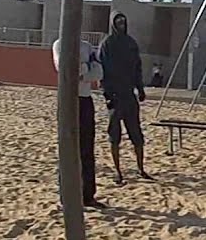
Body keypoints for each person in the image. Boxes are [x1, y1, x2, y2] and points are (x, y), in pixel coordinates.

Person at [52, 36, 105, 208]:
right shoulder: (60, 44)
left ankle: (88, 195)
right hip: (68, 99)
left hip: (85, 99)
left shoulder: (87, 47)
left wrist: (82, 71)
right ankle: (66, 196)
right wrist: (85, 69)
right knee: (68, 148)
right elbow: (65, 69)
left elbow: (99, 72)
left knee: (87, 149)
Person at [98, 11, 150, 184]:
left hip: (129, 95)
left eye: (123, 22)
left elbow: (137, 68)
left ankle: (141, 169)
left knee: (136, 134)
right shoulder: (107, 44)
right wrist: (107, 94)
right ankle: (118, 171)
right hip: (114, 96)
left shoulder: (130, 43)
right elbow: (102, 70)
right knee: (115, 135)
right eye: (118, 22)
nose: (121, 24)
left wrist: (140, 89)